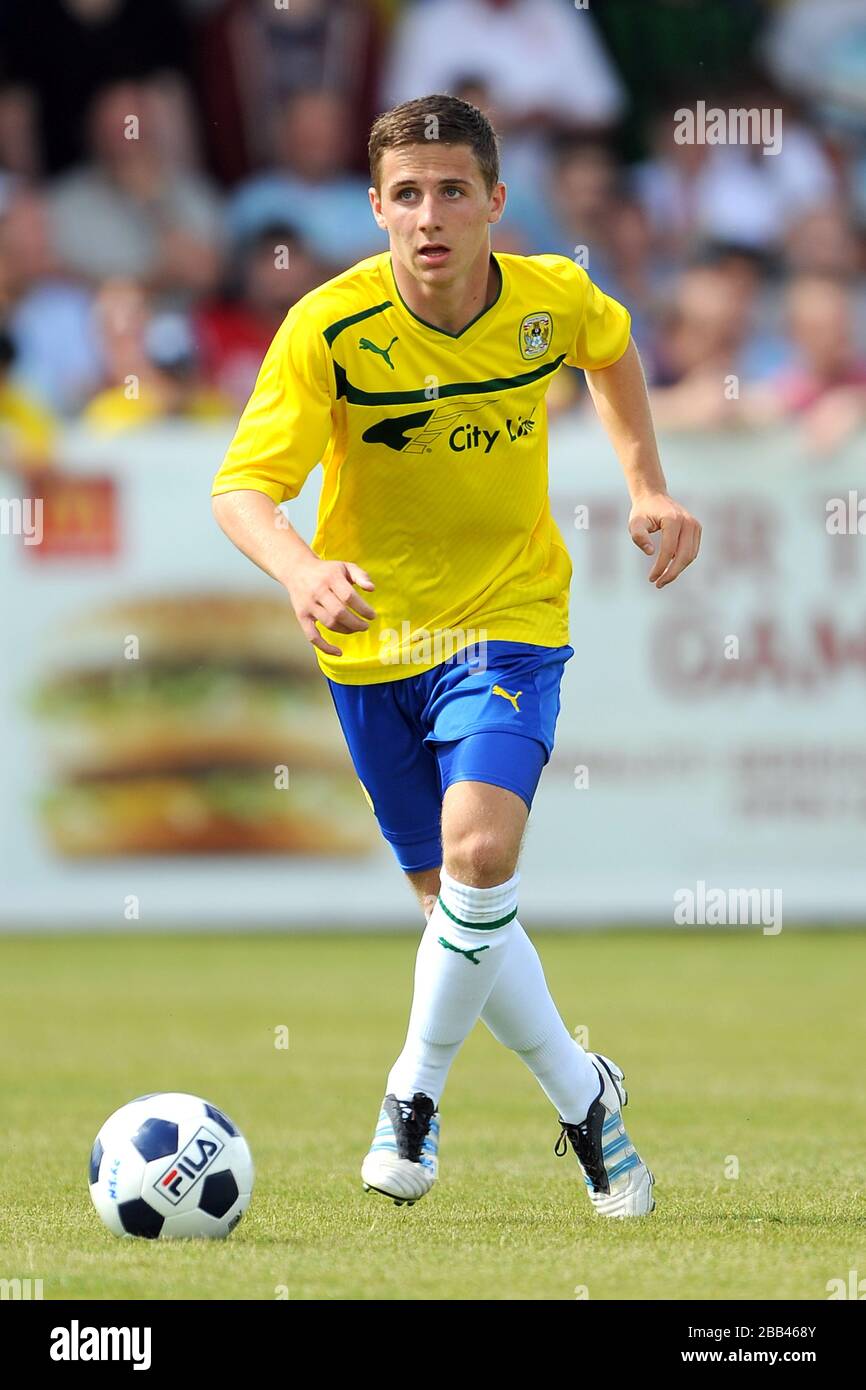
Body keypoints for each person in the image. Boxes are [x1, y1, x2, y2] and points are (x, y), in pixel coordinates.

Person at [211, 95, 701, 1219]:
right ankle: (585, 1099)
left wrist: (646, 485)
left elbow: (612, 353)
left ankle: (409, 1097)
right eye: (405, 195)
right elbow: (243, 488)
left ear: (493, 202)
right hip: (372, 643)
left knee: (478, 856)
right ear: (376, 208)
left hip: (508, 619)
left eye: (449, 191)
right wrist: (297, 570)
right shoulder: (329, 329)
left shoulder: (549, 299)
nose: (428, 215)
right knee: (460, 919)